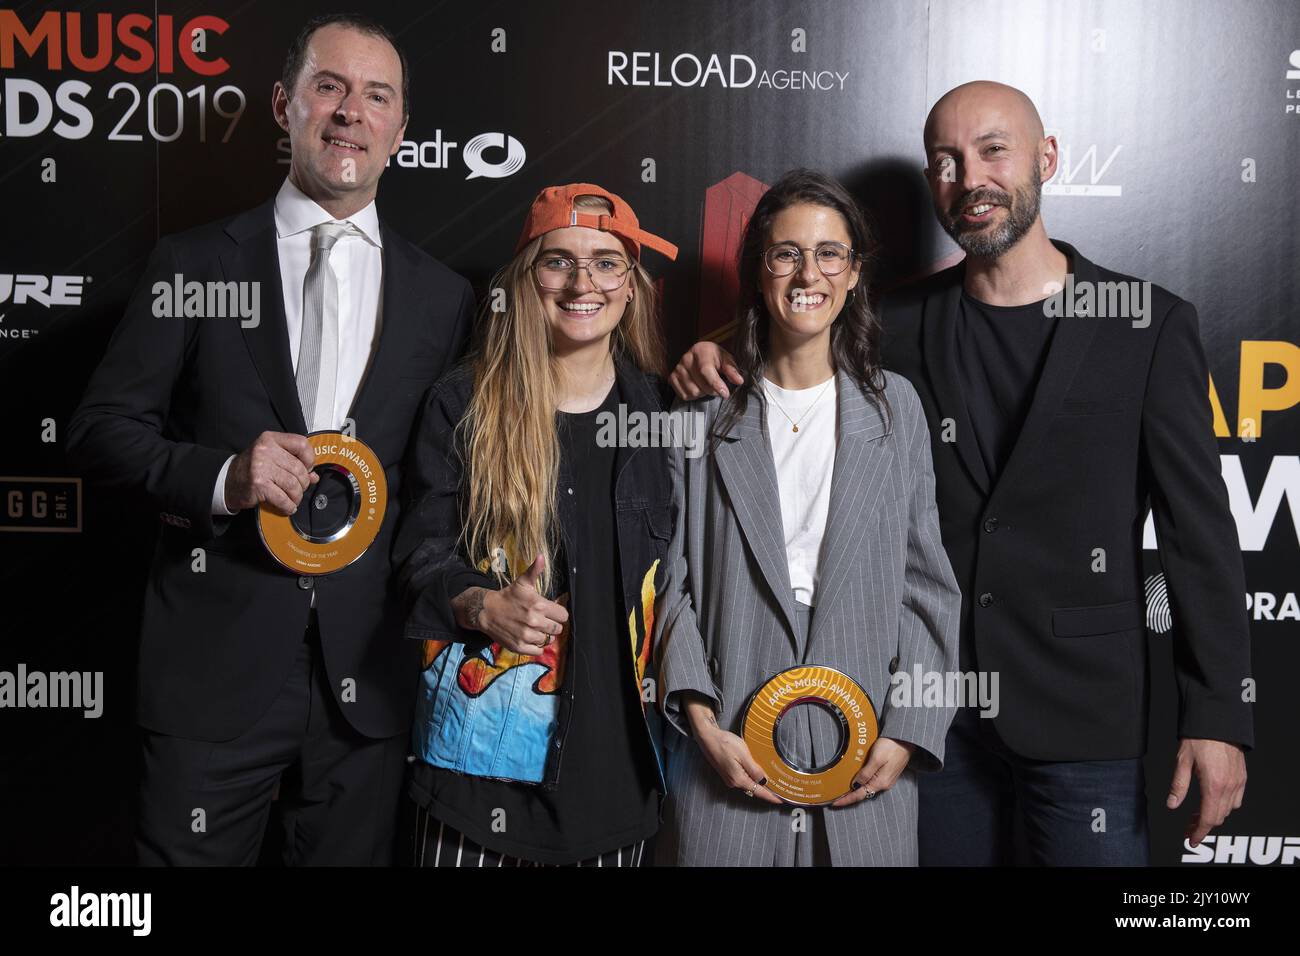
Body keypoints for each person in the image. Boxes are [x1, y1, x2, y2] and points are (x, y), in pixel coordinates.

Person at [669, 82, 1253, 866]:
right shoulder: (897, 325)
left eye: (992, 150)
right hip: (922, 726)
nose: (968, 177)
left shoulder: (1147, 325)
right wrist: (715, 350)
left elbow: (1199, 538)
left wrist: (1215, 715)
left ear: (1046, 158)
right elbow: (794, 325)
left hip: (1082, 719)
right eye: (944, 161)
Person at [66, 14, 475, 865]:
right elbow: (100, 434)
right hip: (211, 680)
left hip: (366, 690)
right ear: (285, 105)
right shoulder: (195, 265)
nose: (349, 112)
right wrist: (224, 477)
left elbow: (462, 469)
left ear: (401, 131)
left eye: (376, 96)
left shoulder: (443, 299)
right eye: (329, 87)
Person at [654, 169, 961, 866]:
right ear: (758, 271)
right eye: (785, 252)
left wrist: (908, 730)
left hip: (866, 753)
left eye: (829, 253)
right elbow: (669, 583)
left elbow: (927, 589)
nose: (807, 272)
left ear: (854, 274)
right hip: (730, 750)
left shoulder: (897, 411)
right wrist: (700, 723)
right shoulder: (700, 416)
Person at [393, 184, 679, 866]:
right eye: (559, 261)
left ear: (632, 287)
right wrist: (482, 604)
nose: (584, 282)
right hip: (480, 770)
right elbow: (417, 558)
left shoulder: (665, 414)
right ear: (525, 280)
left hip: (616, 783)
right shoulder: (461, 403)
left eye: (608, 262)